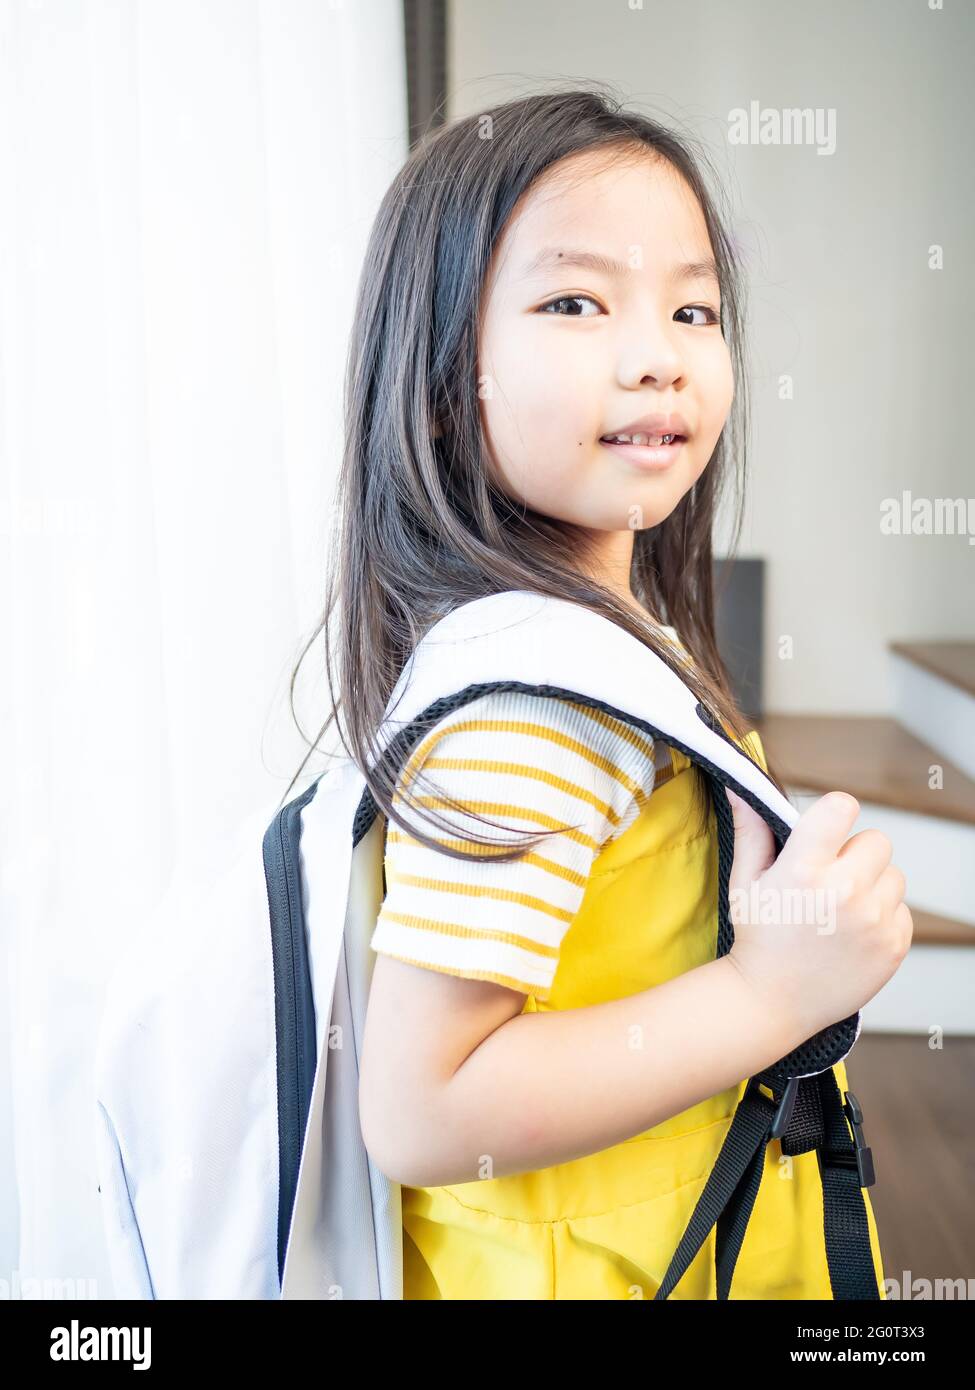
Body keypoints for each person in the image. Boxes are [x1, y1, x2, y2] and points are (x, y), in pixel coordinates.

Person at [288, 87, 911, 1299]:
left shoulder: (605, 639)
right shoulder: (532, 707)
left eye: (693, 307)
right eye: (575, 302)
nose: (658, 354)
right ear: (436, 381)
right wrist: (768, 991)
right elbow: (423, 1109)